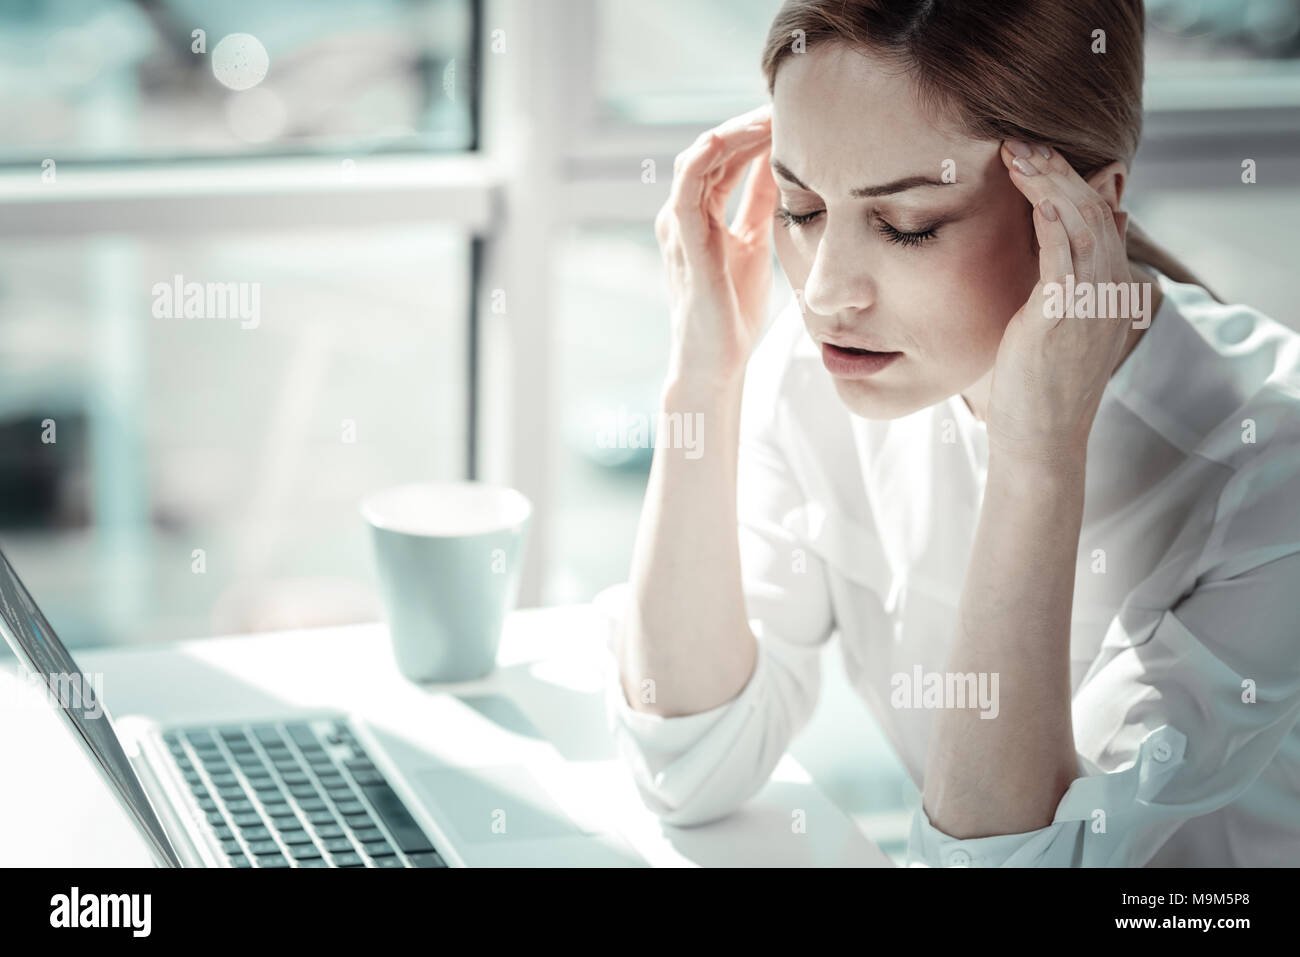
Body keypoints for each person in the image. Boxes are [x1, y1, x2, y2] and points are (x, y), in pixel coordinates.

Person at [606, 0, 1300, 867]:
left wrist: (1037, 463)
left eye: (907, 226)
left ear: (1092, 207)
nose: (824, 293)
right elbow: (686, 764)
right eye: (801, 207)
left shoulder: (1273, 462)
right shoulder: (825, 361)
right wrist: (702, 379)